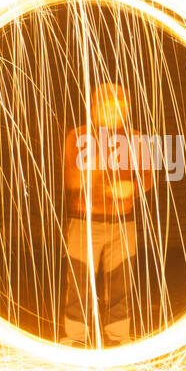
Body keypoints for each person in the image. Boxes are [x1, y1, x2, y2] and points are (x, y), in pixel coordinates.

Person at [61, 82, 156, 347]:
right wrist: (91, 177)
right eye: (107, 107)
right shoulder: (77, 137)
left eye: (120, 108)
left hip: (122, 223)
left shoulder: (137, 139)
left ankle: (117, 334)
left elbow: (148, 178)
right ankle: (75, 336)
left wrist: (132, 188)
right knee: (79, 279)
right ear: (94, 109)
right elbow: (70, 179)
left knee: (120, 281)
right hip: (84, 223)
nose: (114, 112)